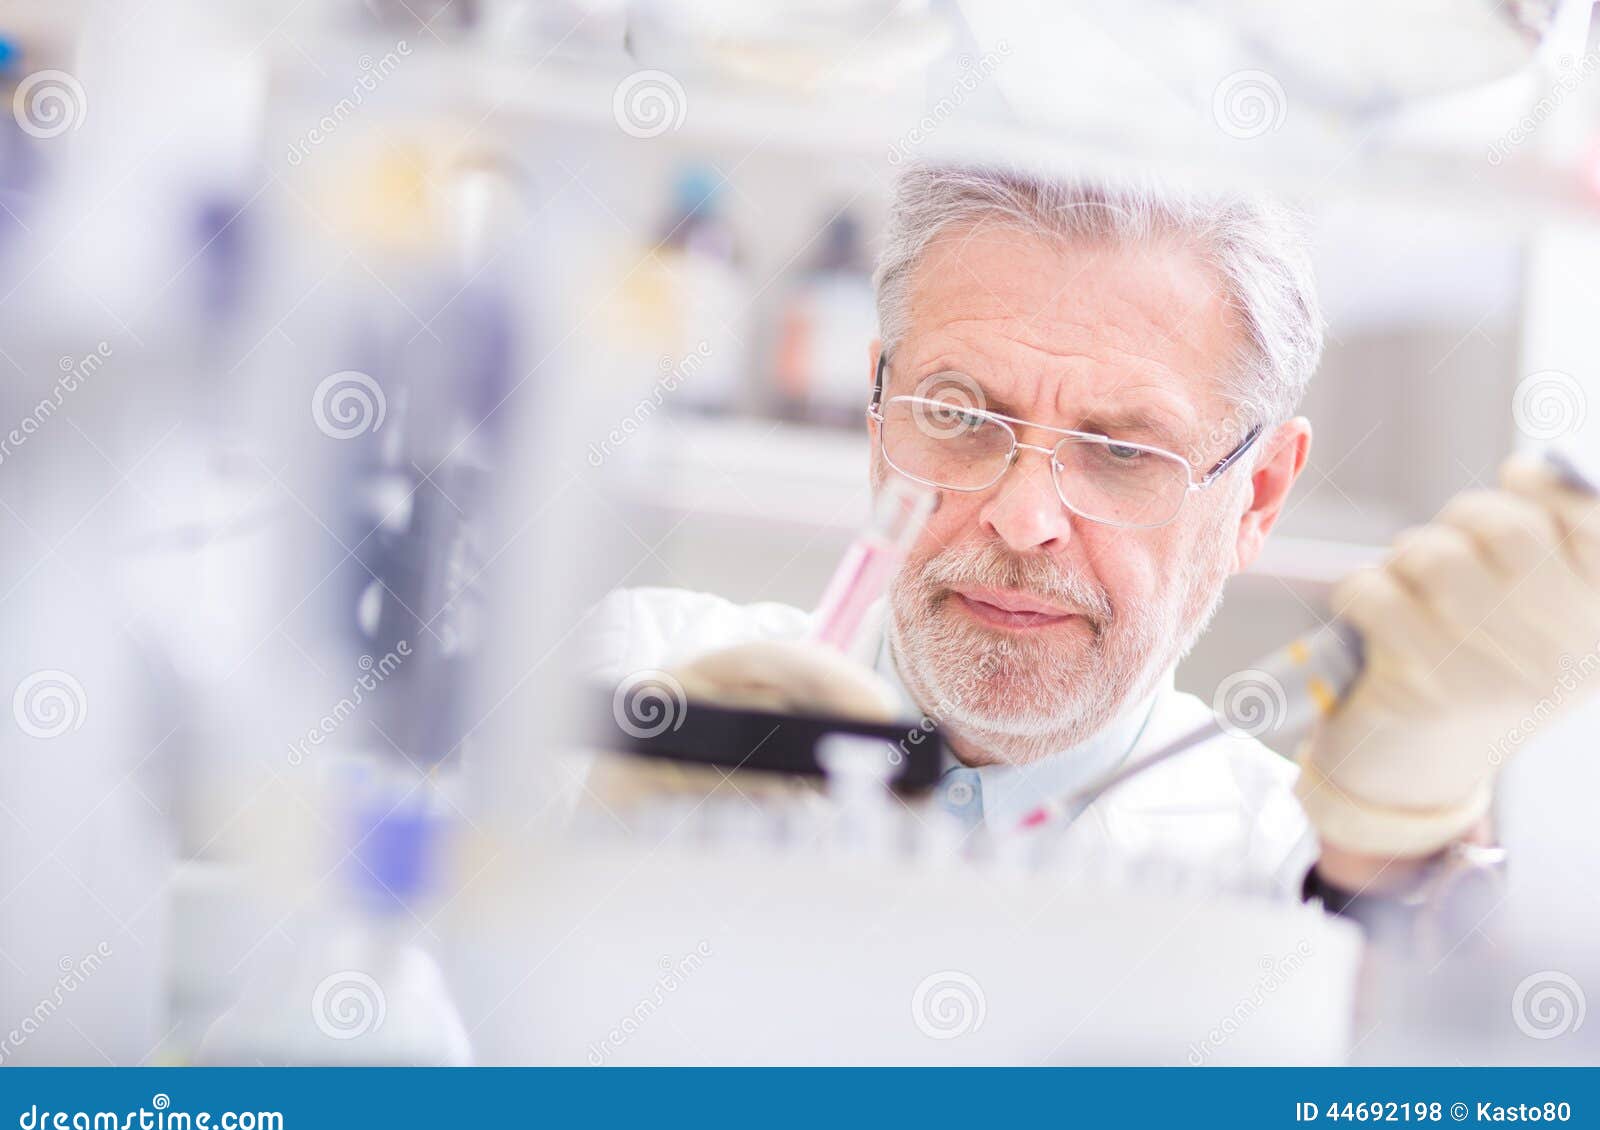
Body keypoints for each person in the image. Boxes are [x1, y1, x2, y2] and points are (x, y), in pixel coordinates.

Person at [584, 164, 1600, 917]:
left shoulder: (1294, 871)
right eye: (959, 415)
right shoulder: (624, 682)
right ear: (877, 410)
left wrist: (1409, 853)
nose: (1024, 519)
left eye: (1119, 449)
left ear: (1258, 496)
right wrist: (579, 884)